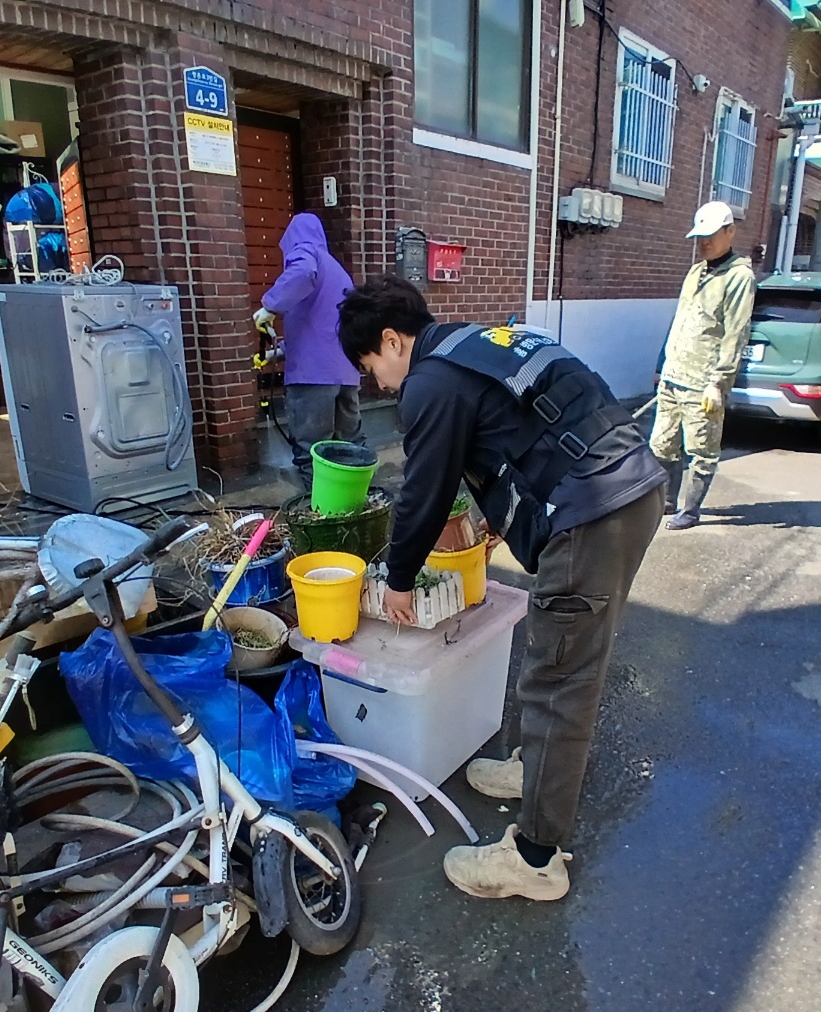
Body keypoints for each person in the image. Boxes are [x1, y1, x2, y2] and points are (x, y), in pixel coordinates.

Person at [337, 275, 666, 902]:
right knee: (564, 658)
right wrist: (497, 517)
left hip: (592, 513)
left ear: (391, 339)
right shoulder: (476, 344)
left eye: (370, 365)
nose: (377, 382)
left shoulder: (428, 383)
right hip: (631, 486)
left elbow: (424, 493)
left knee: (559, 681)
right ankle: (533, 770)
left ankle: (536, 858)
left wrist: (400, 580)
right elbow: (524, 429)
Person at [650, 200, 756, 530]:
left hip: (703, 381)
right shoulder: (696, 271)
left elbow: (735, 333)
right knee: (662, 444)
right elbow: (679, 321)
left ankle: (690, 510)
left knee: (702, 450)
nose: (704, 242)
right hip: (674, 374)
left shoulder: (739, 278)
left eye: (710, 235)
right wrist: (661, 364)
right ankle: (667, 500)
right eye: (700, 236)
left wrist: (718, 382)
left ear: (730, 232)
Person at [253, 213, 364, 490]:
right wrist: (276, 353)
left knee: (312, 454)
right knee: (350, 449)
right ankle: (358, 507)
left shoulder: (306, 253)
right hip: (345, 375)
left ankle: (320, 519)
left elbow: (302, 273)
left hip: (312, 379)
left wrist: (270, 306)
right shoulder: (338, 271)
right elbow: (322, 327)